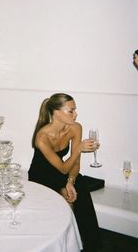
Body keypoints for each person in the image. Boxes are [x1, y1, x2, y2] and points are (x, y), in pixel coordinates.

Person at [28, 93, 101, 252]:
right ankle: (68, 243)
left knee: (79, 188)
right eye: (71, 111)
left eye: (75, 110)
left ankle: (89, 244)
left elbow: (75, 164)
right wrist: (79, 149)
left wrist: (71, 181)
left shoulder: (76, 128)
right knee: (66, 198)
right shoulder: (41, 137)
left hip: (64, 171)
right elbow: (62, 168)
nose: (76, 114)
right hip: (41, 176)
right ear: (56, 113)